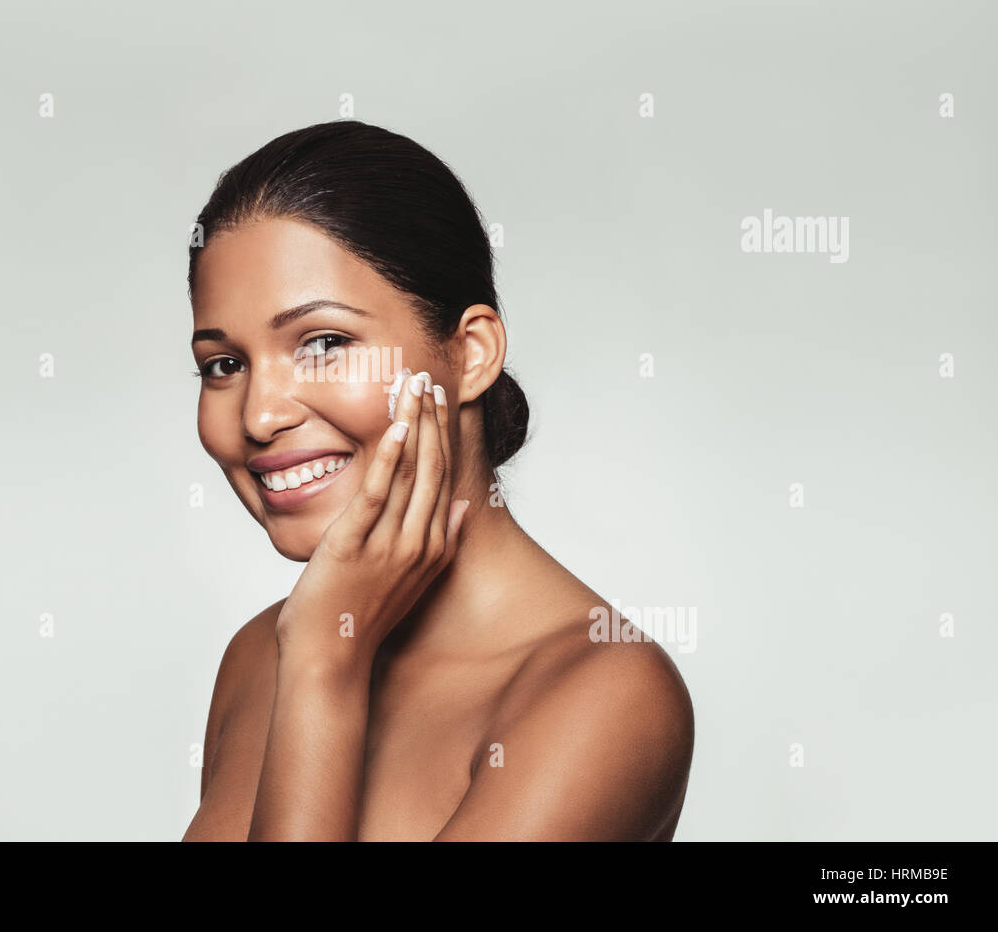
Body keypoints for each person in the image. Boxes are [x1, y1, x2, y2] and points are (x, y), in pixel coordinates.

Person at [182, 120, 693, 840]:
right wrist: (317, 652)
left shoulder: (602, 691)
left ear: (471, 354)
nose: (260, 415)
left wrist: (327, 661)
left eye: (324, 342)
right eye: (223, 364)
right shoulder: (260, 655)